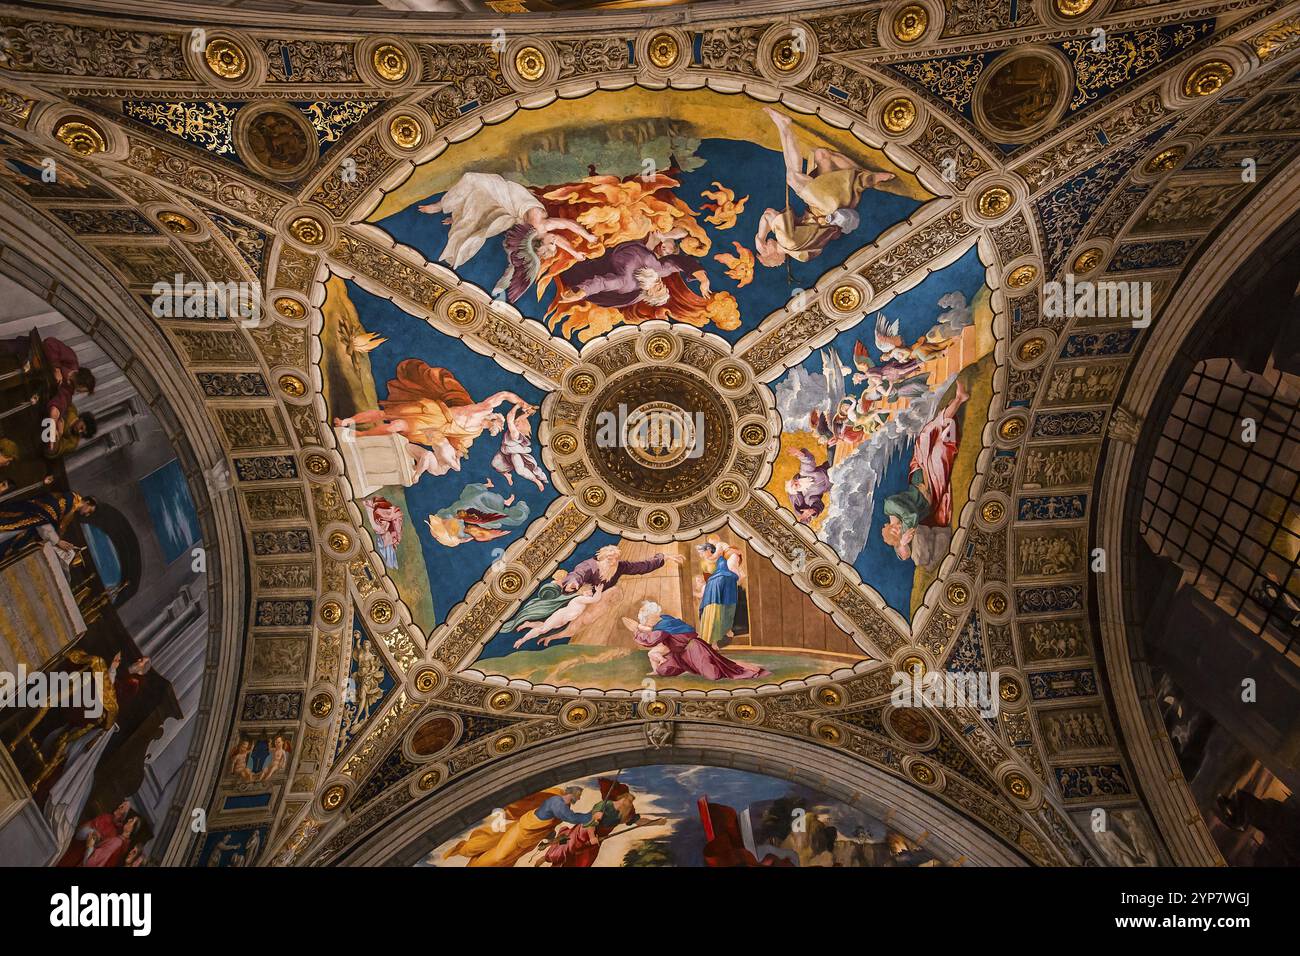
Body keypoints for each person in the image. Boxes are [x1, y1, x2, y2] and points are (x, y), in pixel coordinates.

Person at [335, 360, 529, 477]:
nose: (494, 429)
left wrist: (454, 456)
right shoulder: (482, 409)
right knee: (387, 414)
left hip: (431, 428)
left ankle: (360, 434)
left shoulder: (475, 432)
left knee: (395, 426)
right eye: (496, 425)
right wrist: (522, 403)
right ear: (494, 418)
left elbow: (459, 446)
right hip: (432, 411)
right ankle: (346, 422)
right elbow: (503, 394)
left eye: (495, 429)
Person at [754, 107, 894, 267]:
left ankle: (783, 126)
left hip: (827, 207)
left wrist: (761, 237)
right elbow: (768, 214)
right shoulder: (787, 243)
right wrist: (760, 238)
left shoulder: (799, 252)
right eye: (763, 251)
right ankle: (784, 125)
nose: (764, 248)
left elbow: (774, 217)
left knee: (821, 156)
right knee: (793, 177)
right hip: (825, 207)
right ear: (772, 255)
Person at [418, 170, 595, 272]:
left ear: (542, 243)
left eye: (552, 245)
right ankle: (442, 205)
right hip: (511, 197)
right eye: (555, 245)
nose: (556, 241)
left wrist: (461, 218)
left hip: (509, 202)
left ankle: (444, 207)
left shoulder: (533, 230)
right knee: (472, 180)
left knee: (473, 184)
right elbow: (568, 226)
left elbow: (491, 217)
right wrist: (583, 241)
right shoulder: (539, 228)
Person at [880, 381, 969, 562]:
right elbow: (904, 556)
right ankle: (952, 421)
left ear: (887, 526)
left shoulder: (889, 506)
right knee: (939, 452)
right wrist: (902, 544)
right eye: (897, 533)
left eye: (893, 530)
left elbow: (911, 514)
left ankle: (959, 400)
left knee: (926, 435)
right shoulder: (904, 529)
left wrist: (903, 537)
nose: (898, 530)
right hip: (934, 490)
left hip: (920, 474)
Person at [447, 787, 594, 867]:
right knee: (500, 857)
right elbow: (570, 817)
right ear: (572, 794)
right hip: (522, 831)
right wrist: (592, 816)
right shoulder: (557, 801)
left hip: (530, 840)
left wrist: (551, 837)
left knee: (506, 862)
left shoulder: (563, 806)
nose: (578, 799)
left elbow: (547, 824)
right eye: (578, 796)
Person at [626, 600, 769, 681]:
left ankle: (751, 669)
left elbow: (650, 640)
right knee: (663, 670)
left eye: (646, 620)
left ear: (650, 617)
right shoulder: (665, 619)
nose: (646, 623)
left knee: (714, 674)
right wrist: (641, 628)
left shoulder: (662, 626)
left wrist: (636, 630)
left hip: (695, 650)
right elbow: (652, 632)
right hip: (681, 656)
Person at [0, 489, 95, 560]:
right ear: (87, 502)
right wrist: (57, 541)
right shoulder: (68, 499)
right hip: (24, 521)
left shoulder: (71, 509)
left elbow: (51, 522)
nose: (87, 514)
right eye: (89, 511)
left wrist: (57, 541)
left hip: (30, 527)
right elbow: (46, 517)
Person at [490, 402, 547, 492]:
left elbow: (510, 418)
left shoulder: (515, 433)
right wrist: (527, 412)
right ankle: (507, 474)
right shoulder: (517, 425)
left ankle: (537, 481)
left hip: (514, 452)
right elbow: (515, 418)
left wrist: (517, 406)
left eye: (517, 424)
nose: (515, 423)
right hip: (506, 451)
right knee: (495, 463)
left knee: (520, 470)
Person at [696, 538, 742, 646]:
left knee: (724, 609)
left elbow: (715, 556)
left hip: (722, 582)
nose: (701, 555)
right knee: (715, 611)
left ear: (708, 549)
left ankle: (720, 635)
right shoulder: (713, 562)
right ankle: (713, 640)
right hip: (718, 583)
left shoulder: (720, 550)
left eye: (702, 552)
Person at [786, 448, 831, 524]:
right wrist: (813, 510)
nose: (797, 483)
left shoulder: (804, 474)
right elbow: (817, 503)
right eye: (796, 486)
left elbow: (808, 463)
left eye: (795, 482)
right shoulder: (808, 497)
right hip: (837, 478)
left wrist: (801, 455)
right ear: (797, 491)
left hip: (831, 464)